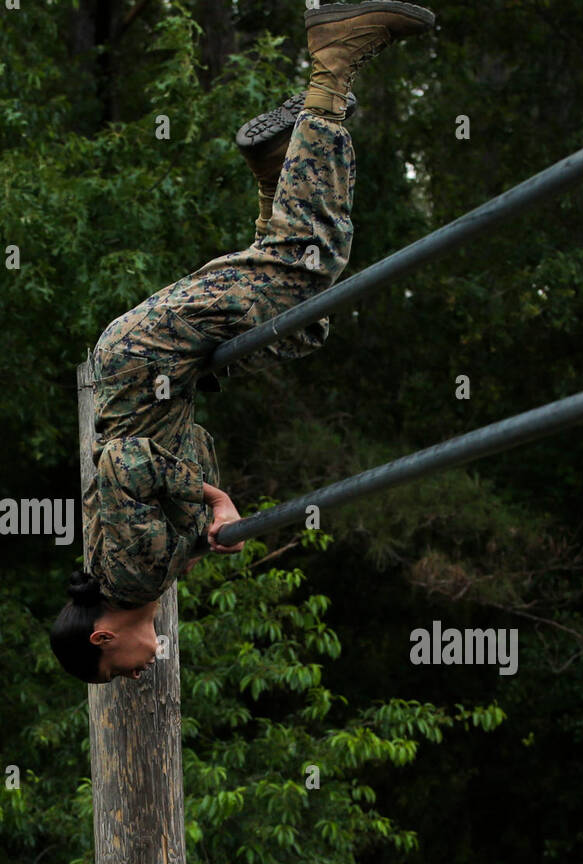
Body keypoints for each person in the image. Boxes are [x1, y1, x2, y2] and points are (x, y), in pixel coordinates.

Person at [50, 1, 435, 684]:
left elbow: (125, 462)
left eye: (120, 672)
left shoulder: (130, 574)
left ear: (104, 638)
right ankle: (276, 165)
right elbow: (176, 451)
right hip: (151, 360)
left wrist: (212, 501)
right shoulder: (146, 578)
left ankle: (333, 63)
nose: (136, 674)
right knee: (300, 325)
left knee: (307, 262)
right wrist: (197, 533)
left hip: (153, 355)